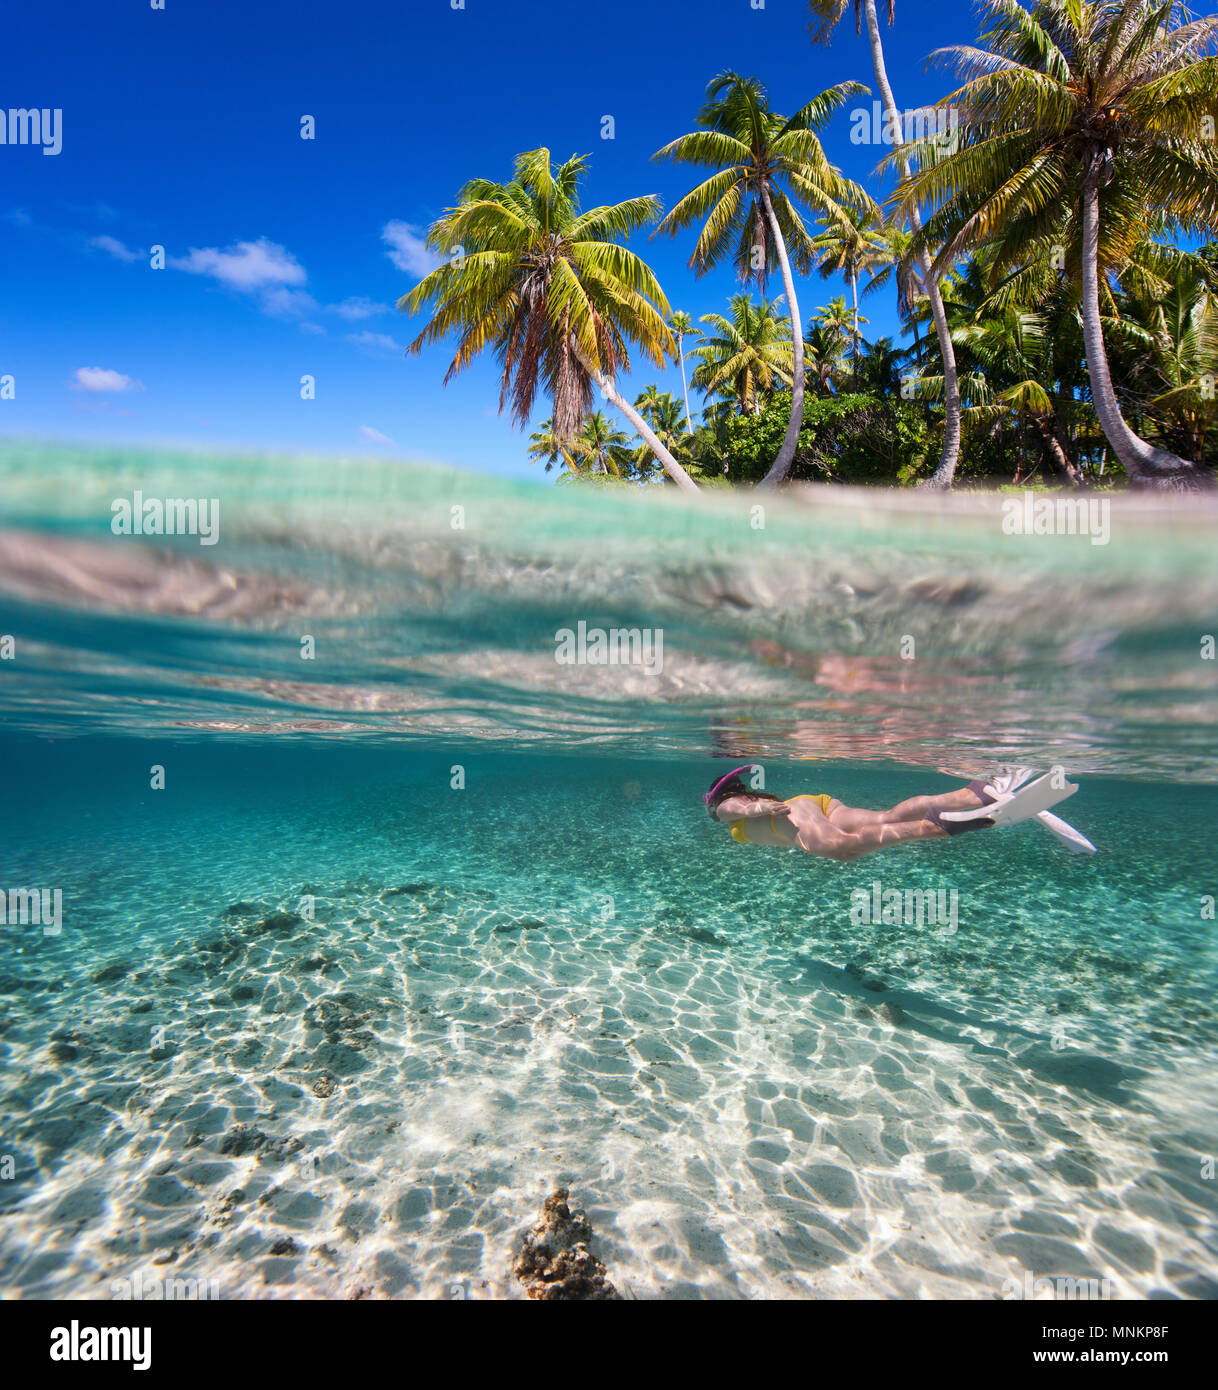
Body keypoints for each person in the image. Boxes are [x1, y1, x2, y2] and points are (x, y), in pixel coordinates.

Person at [702, 764, 1079, 861]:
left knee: (838, 849)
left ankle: (940, 827)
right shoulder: (742, 803)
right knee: (886, 817)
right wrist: (762, 804)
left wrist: (762, 807)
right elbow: (741, 804)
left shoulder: (726, 811)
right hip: (812, 804)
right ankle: (976, 793)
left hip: (791, 814)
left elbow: (732, 808)